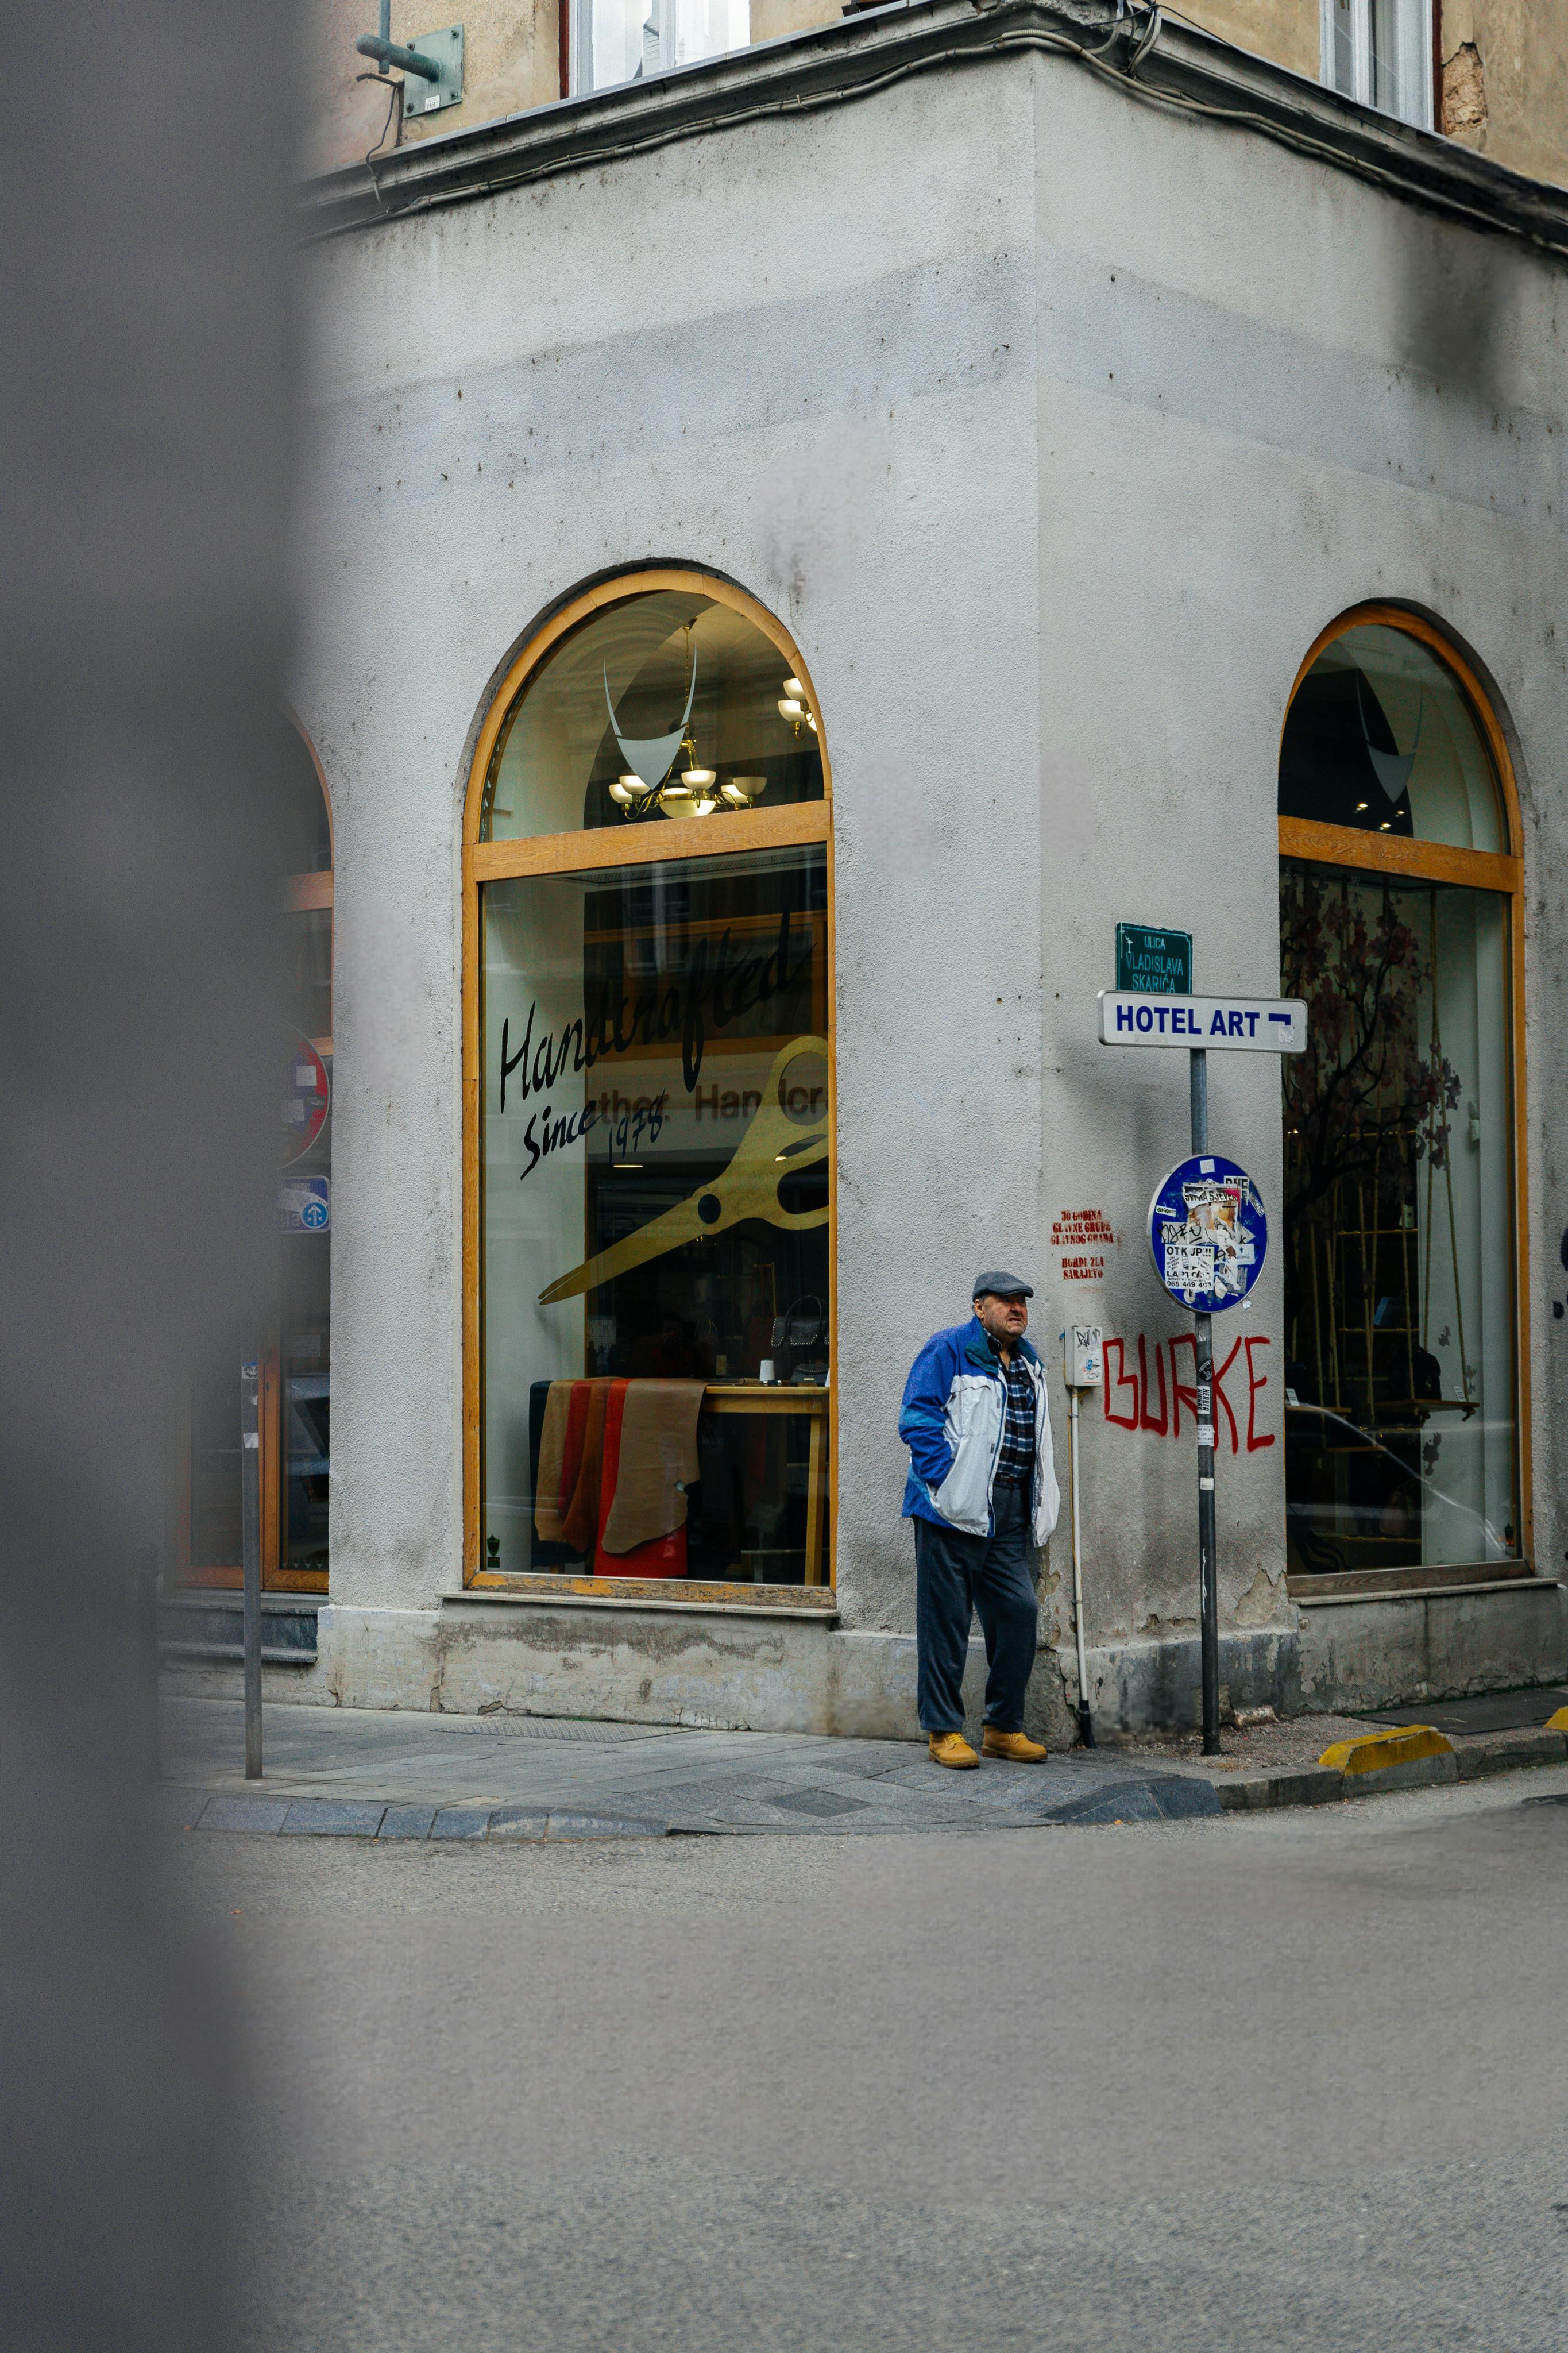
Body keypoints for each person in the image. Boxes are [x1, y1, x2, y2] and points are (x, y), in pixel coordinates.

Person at [898, 1272, 1061, 1768]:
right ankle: (943, 1731)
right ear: (978, 1307)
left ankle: (1002, 1727)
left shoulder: (1030, 1362)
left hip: (1009, 1511)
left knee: (1019, 1612)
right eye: (1005, 1301)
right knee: (945, 1623)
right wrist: (947, 1483)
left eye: (1022, 1302)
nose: (1016, 1309)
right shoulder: (949, 1349)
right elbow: (917, 1419)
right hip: (952, 1510)